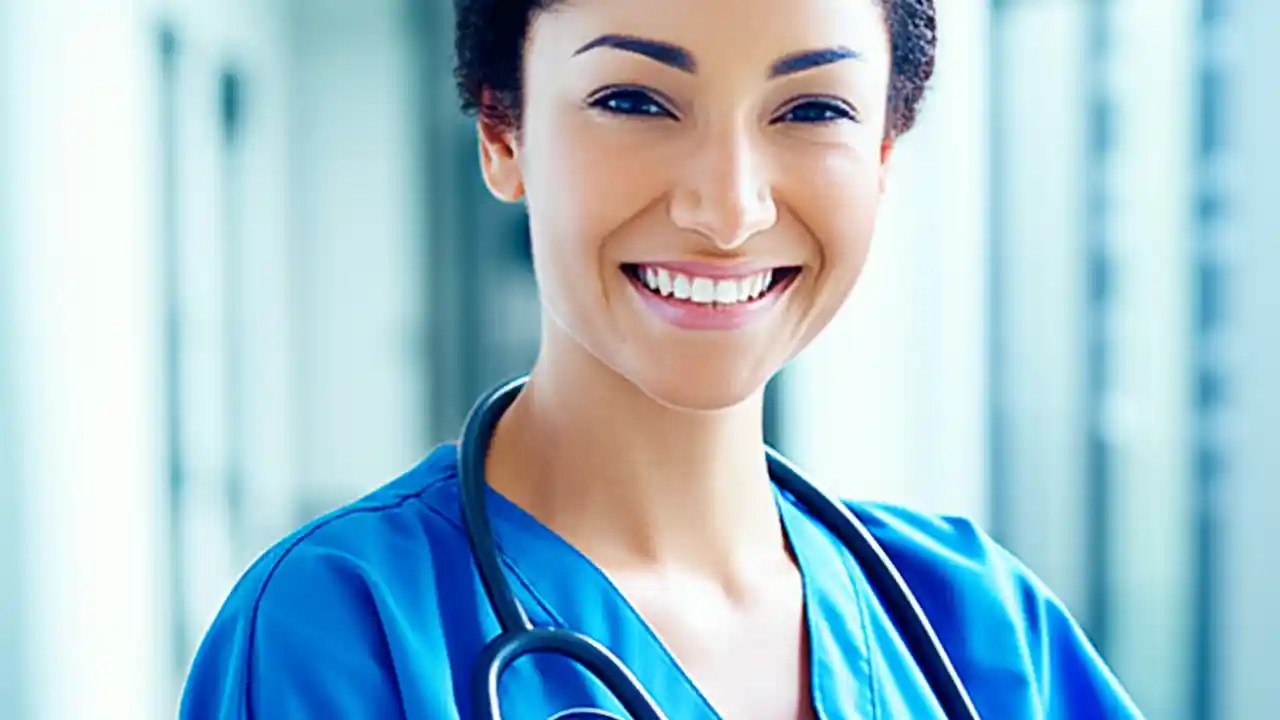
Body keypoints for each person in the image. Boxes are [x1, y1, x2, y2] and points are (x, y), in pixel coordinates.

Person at [180, 0, 1144, 717]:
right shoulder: (346, 630)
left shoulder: (984, 632)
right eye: (635, 99)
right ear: (501, 133)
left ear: (886, 155)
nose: (729, 210)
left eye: (811, 110)